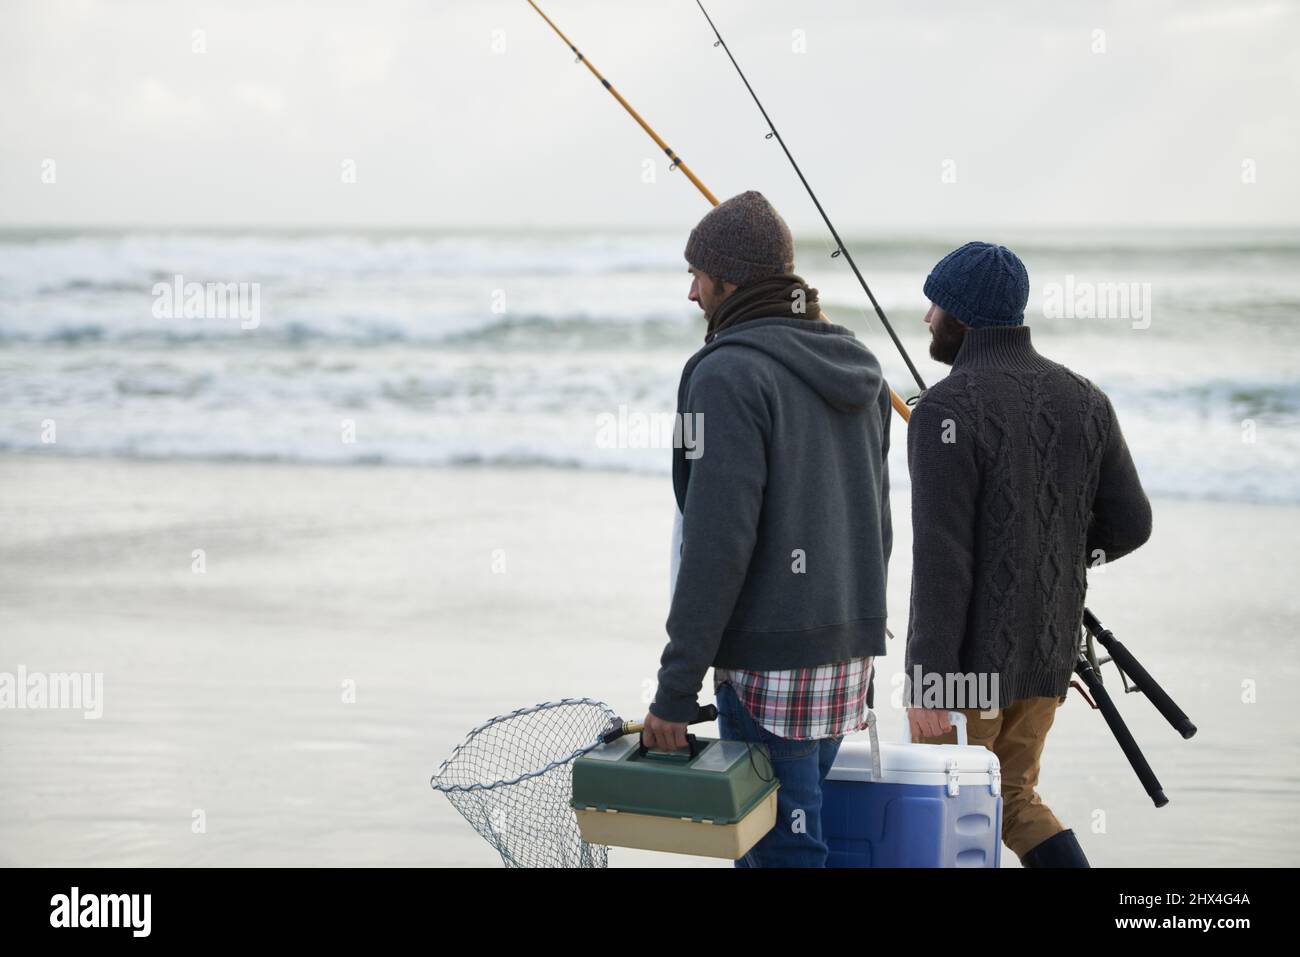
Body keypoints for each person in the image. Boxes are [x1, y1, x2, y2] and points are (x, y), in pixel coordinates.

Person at [639, 190, 892, 867]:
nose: (691, 292)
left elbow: (717, 544)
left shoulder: (727, 373)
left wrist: (673, 691)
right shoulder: (860, 364)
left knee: (782, 850)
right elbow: (878, 520)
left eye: (698, 273)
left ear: (733, 279)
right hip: (845, 655)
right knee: (790, 838)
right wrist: (865, 631)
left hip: (768, 666)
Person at [904, 241, 1153, 867]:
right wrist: (1058, 554)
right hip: (1048, 651)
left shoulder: (944, 409)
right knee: (1012, 798)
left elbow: (943, 560)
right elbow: (1131, 524)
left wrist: (926, 680)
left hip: (964, 670)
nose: (927, 317)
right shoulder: (1086, 399)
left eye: (936, 304)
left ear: (962, 315)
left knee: (944, 806)